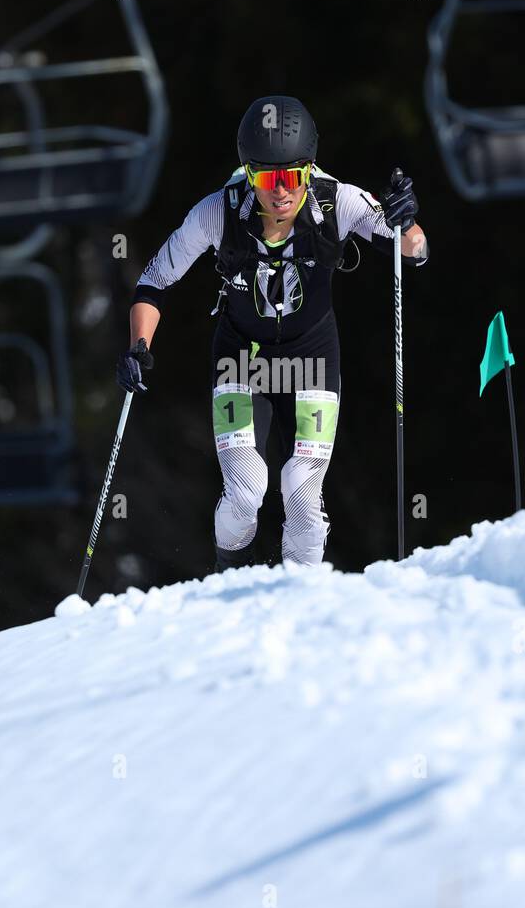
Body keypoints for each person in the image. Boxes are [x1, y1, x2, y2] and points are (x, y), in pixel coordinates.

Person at [118, 95, 428, 569]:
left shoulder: (337, 200)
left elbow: (414, 250)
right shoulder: (217, 213)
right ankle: (227, 588)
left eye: (292, 176)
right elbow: (155, 280)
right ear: (248, 173)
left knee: (303, 501)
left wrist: (407, 220)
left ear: (309, 170)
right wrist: (139, 346)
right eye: (266, 178)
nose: (280, 191)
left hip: (313, 359)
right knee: (245, 494)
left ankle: (297, 608)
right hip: (242, 356)